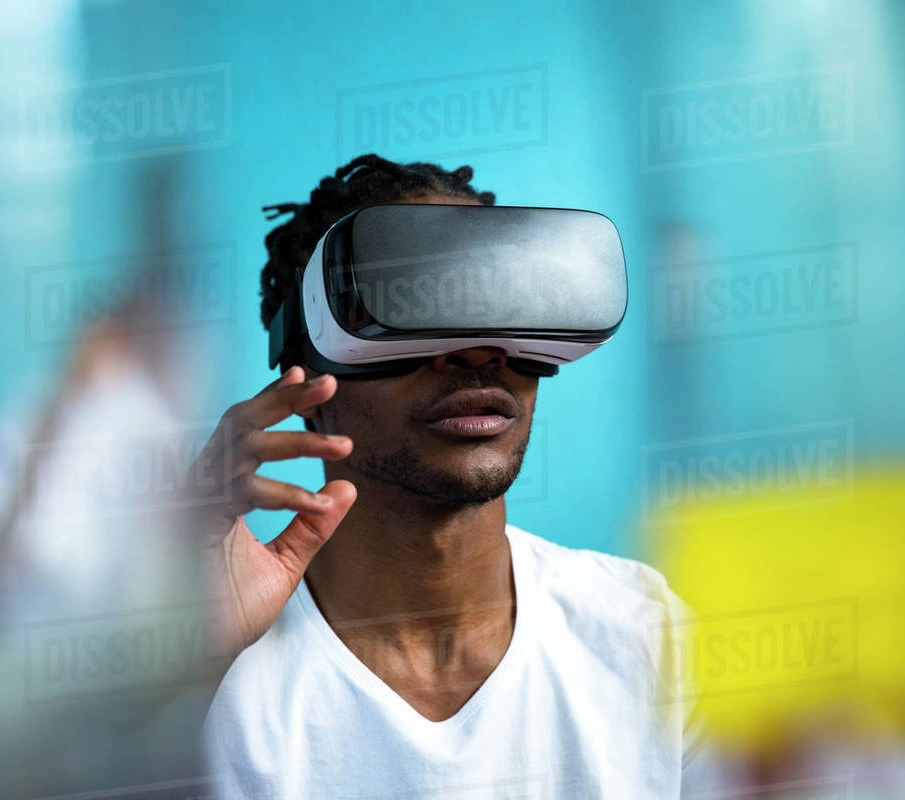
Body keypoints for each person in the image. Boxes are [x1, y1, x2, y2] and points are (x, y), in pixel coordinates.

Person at [192, 154, 704, 798]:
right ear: (311, 381)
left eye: (499, 299)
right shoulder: (199, 683)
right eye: (416, 302)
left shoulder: (652, 642)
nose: (480, 353)